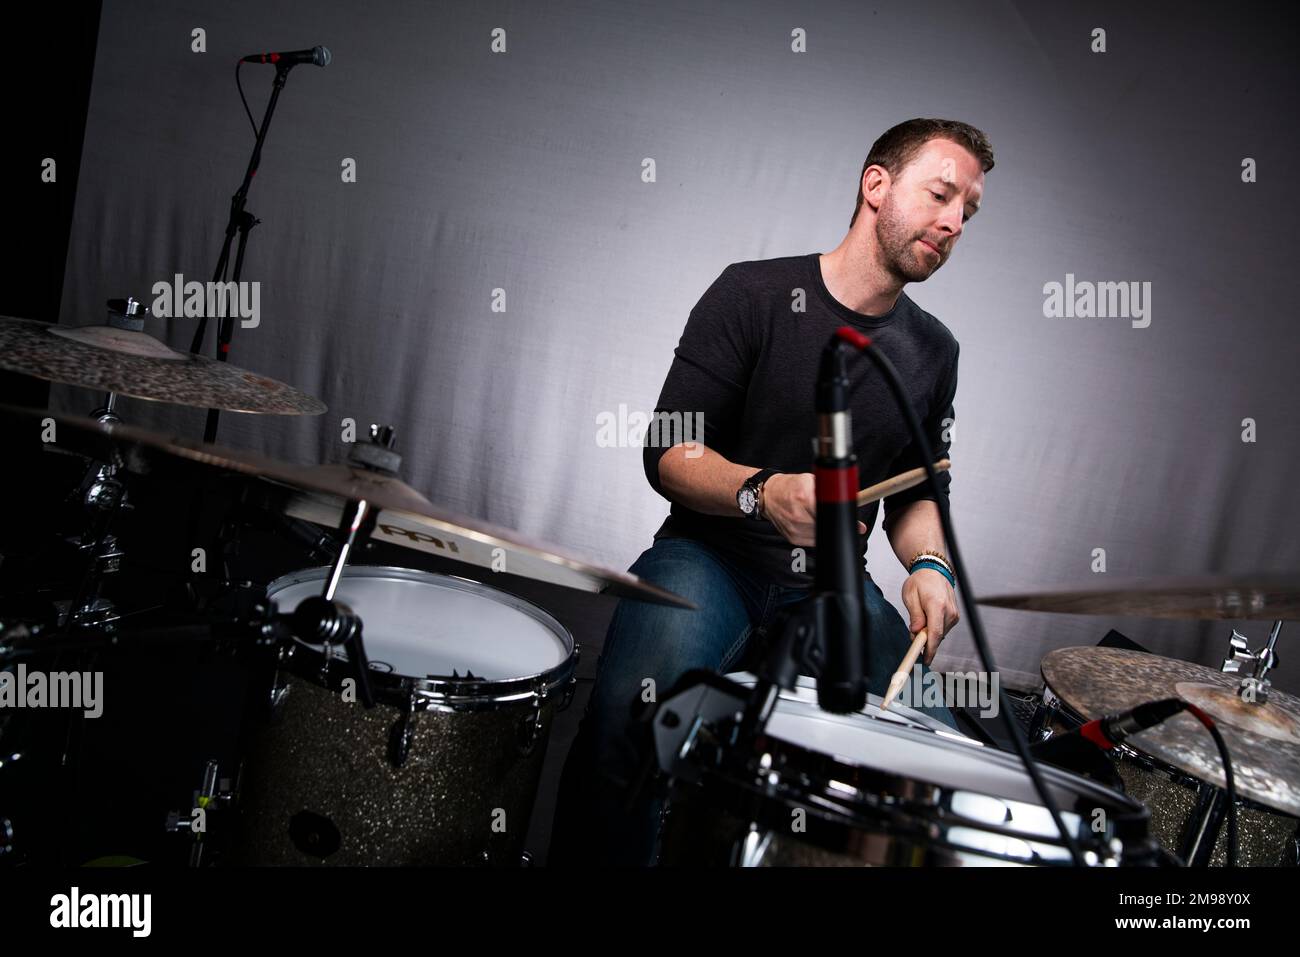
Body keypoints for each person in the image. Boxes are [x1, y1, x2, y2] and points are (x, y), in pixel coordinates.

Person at [550, 118, 993, 866]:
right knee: (635, 715)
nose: (952, 222)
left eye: (967, 213)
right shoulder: (752, 292)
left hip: (832, 587)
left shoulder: (934, 351)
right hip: (709, 555)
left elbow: (920, 494)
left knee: (939, 754)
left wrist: (931, 566)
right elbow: (669, 449)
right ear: (876, 185)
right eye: (942, 194)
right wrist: (763, 491)